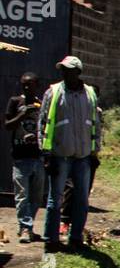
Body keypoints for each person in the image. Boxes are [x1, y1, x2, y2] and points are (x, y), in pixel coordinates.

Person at [38, 56, 100, 253]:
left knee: (82, 199)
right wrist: (45, 154)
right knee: (54, 199)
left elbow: (96, 125)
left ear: (78, 72)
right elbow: (43, 124)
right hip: (60, 154)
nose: (64, 73)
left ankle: (76, 238)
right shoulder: (54, 92)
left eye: (68, 70)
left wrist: (94, 151)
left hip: (83, 156)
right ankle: (51, 239)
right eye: (63, 70)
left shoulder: (89, 93)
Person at [4, 72, 44, 243]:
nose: (27, 87)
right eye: (24, 84)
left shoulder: (41, 104)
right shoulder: (15, 102)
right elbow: (7, 125)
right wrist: (22, 115)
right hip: (20, 157)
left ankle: (28, 226)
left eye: (30, 84)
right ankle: (25, 228)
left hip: (38, 156)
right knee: (22, 195)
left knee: (36, 196)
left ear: (37, 85)